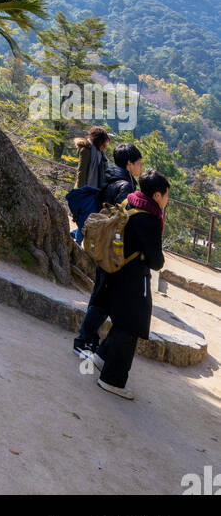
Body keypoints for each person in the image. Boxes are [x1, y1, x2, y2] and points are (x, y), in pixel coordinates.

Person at [94, 169, 169, 399]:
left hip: (115, 270)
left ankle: (102, 356)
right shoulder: (149, 219)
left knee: (121, 320)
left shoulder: (130, 202)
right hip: (133, 277)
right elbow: (156, 261)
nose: (167, 200)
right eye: (166, 195)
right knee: (131, 326)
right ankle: (112, 379)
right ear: (157, 195)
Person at [72, 142, 142, 358]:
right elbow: (122, 221)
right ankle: (82, 341)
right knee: (103, 298)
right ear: (129, 164)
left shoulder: (108, 177)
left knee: (99, 293)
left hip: (99, 242)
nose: (140, 167)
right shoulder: (126, 187)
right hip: (111, 248)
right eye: (138, 163)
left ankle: (89, 340)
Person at [74, 126, 111, 190]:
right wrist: (81, 192)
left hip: (96, 189)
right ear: (98, 141)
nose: (105, 147)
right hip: (85, 189)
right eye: (104, 144)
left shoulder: (100, 153)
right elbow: (81, 173)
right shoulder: (86, 150)